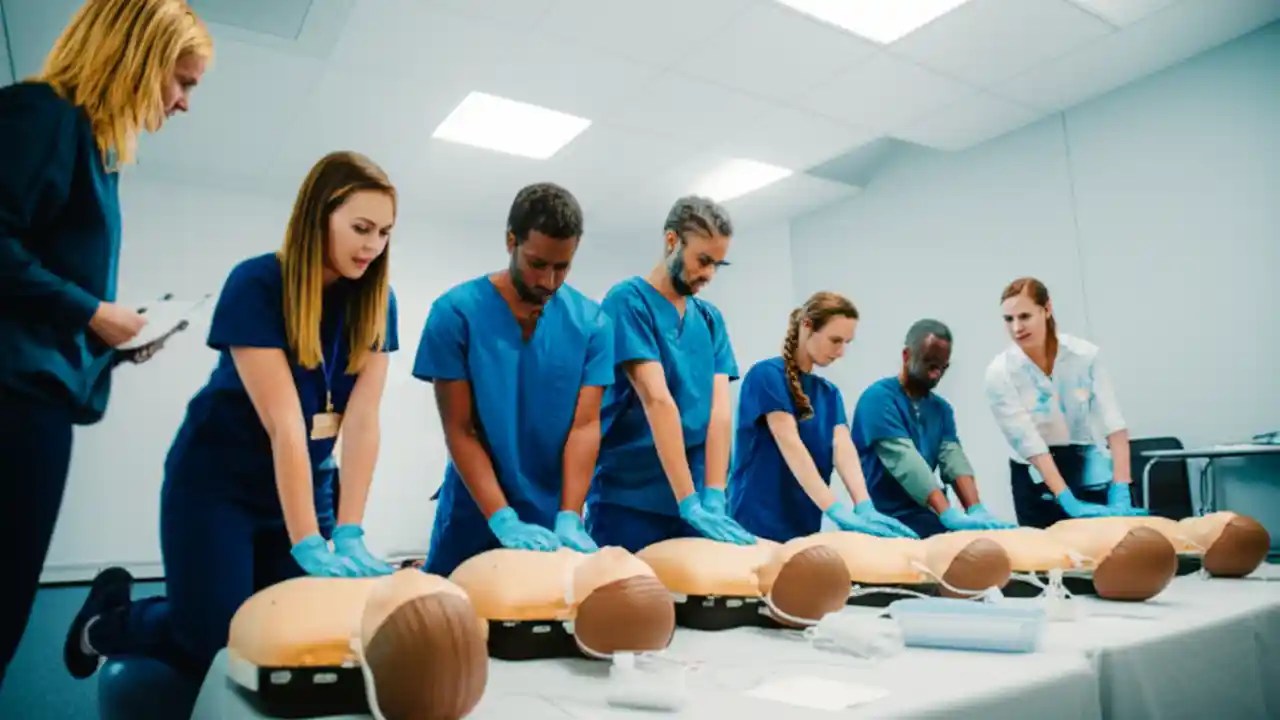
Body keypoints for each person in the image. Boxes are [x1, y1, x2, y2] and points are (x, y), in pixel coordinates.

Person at [62, 151, 399, 687]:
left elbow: (362, 423)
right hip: (218, 482)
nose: (372, 246)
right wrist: (309, 541)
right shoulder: (258, 282)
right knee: (214, 639)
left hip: (306, 483)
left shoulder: (380, 302)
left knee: (292, 629)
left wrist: (352, 531)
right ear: (319, 217)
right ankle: (107, 622)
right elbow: (284, 423)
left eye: (383, 232)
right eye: (360, 228)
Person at [0, 0, 212, 687]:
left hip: (40, 404)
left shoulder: (96, 156)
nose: (183, 104)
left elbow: (34, 296)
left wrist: (112, 341)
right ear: (134, 57)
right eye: (180, 81)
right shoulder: (43, 115)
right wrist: (93, 311)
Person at [413, 183, 612, 577]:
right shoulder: (456, 314)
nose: (549, 281)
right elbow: (461, 429)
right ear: (511, 241)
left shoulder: (592, 324)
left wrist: (571, 515)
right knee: (454, 623)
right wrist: (501, 517)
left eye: (562, 267)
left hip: (551, 514)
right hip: (474, 510)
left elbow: (585, 425)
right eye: (538, 264)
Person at [586, 196, 757, 553]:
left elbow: (719, 412)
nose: (709, 274)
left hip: (693, 493)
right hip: (628, 499)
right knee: (630, 603)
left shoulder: (710, 320)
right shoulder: (628, 301)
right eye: (703, 260)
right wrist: (687, 502)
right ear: (671, 241)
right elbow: (657, 400)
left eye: (718, 264)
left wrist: (713, 493)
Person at [727, 292, 918, 543]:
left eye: (846, 343)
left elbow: (843, 448)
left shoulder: (829, 393)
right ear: (807, 326)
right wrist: (835, 509)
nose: (840, 352)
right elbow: (791, 445)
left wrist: (864, 505)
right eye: (835, 340)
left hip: (803, 526)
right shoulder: (766, 376)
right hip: (755, 525)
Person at [984, 277, 1146, 528]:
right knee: (1049, 554)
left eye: (1025, 316)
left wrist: (1121, 485)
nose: (1017, 328)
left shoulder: (1085, 356)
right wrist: (1065, 498)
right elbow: (1029, 441)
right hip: (1036, 469)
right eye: (1009, 319)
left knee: (1107, 545)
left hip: (1083, 460)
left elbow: (1113, 422)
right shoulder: (1000, 373)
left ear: (1046, 309)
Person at [851, 319, 1017, 538]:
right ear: (906, 356)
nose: (935, 374)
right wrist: (946, 511)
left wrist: (976, 510)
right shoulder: (878, 399)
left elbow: (953, 459)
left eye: (942, 368)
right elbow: (906, 462)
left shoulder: (941, 409)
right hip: (885, 521)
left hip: (925, 516)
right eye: (930, 365)